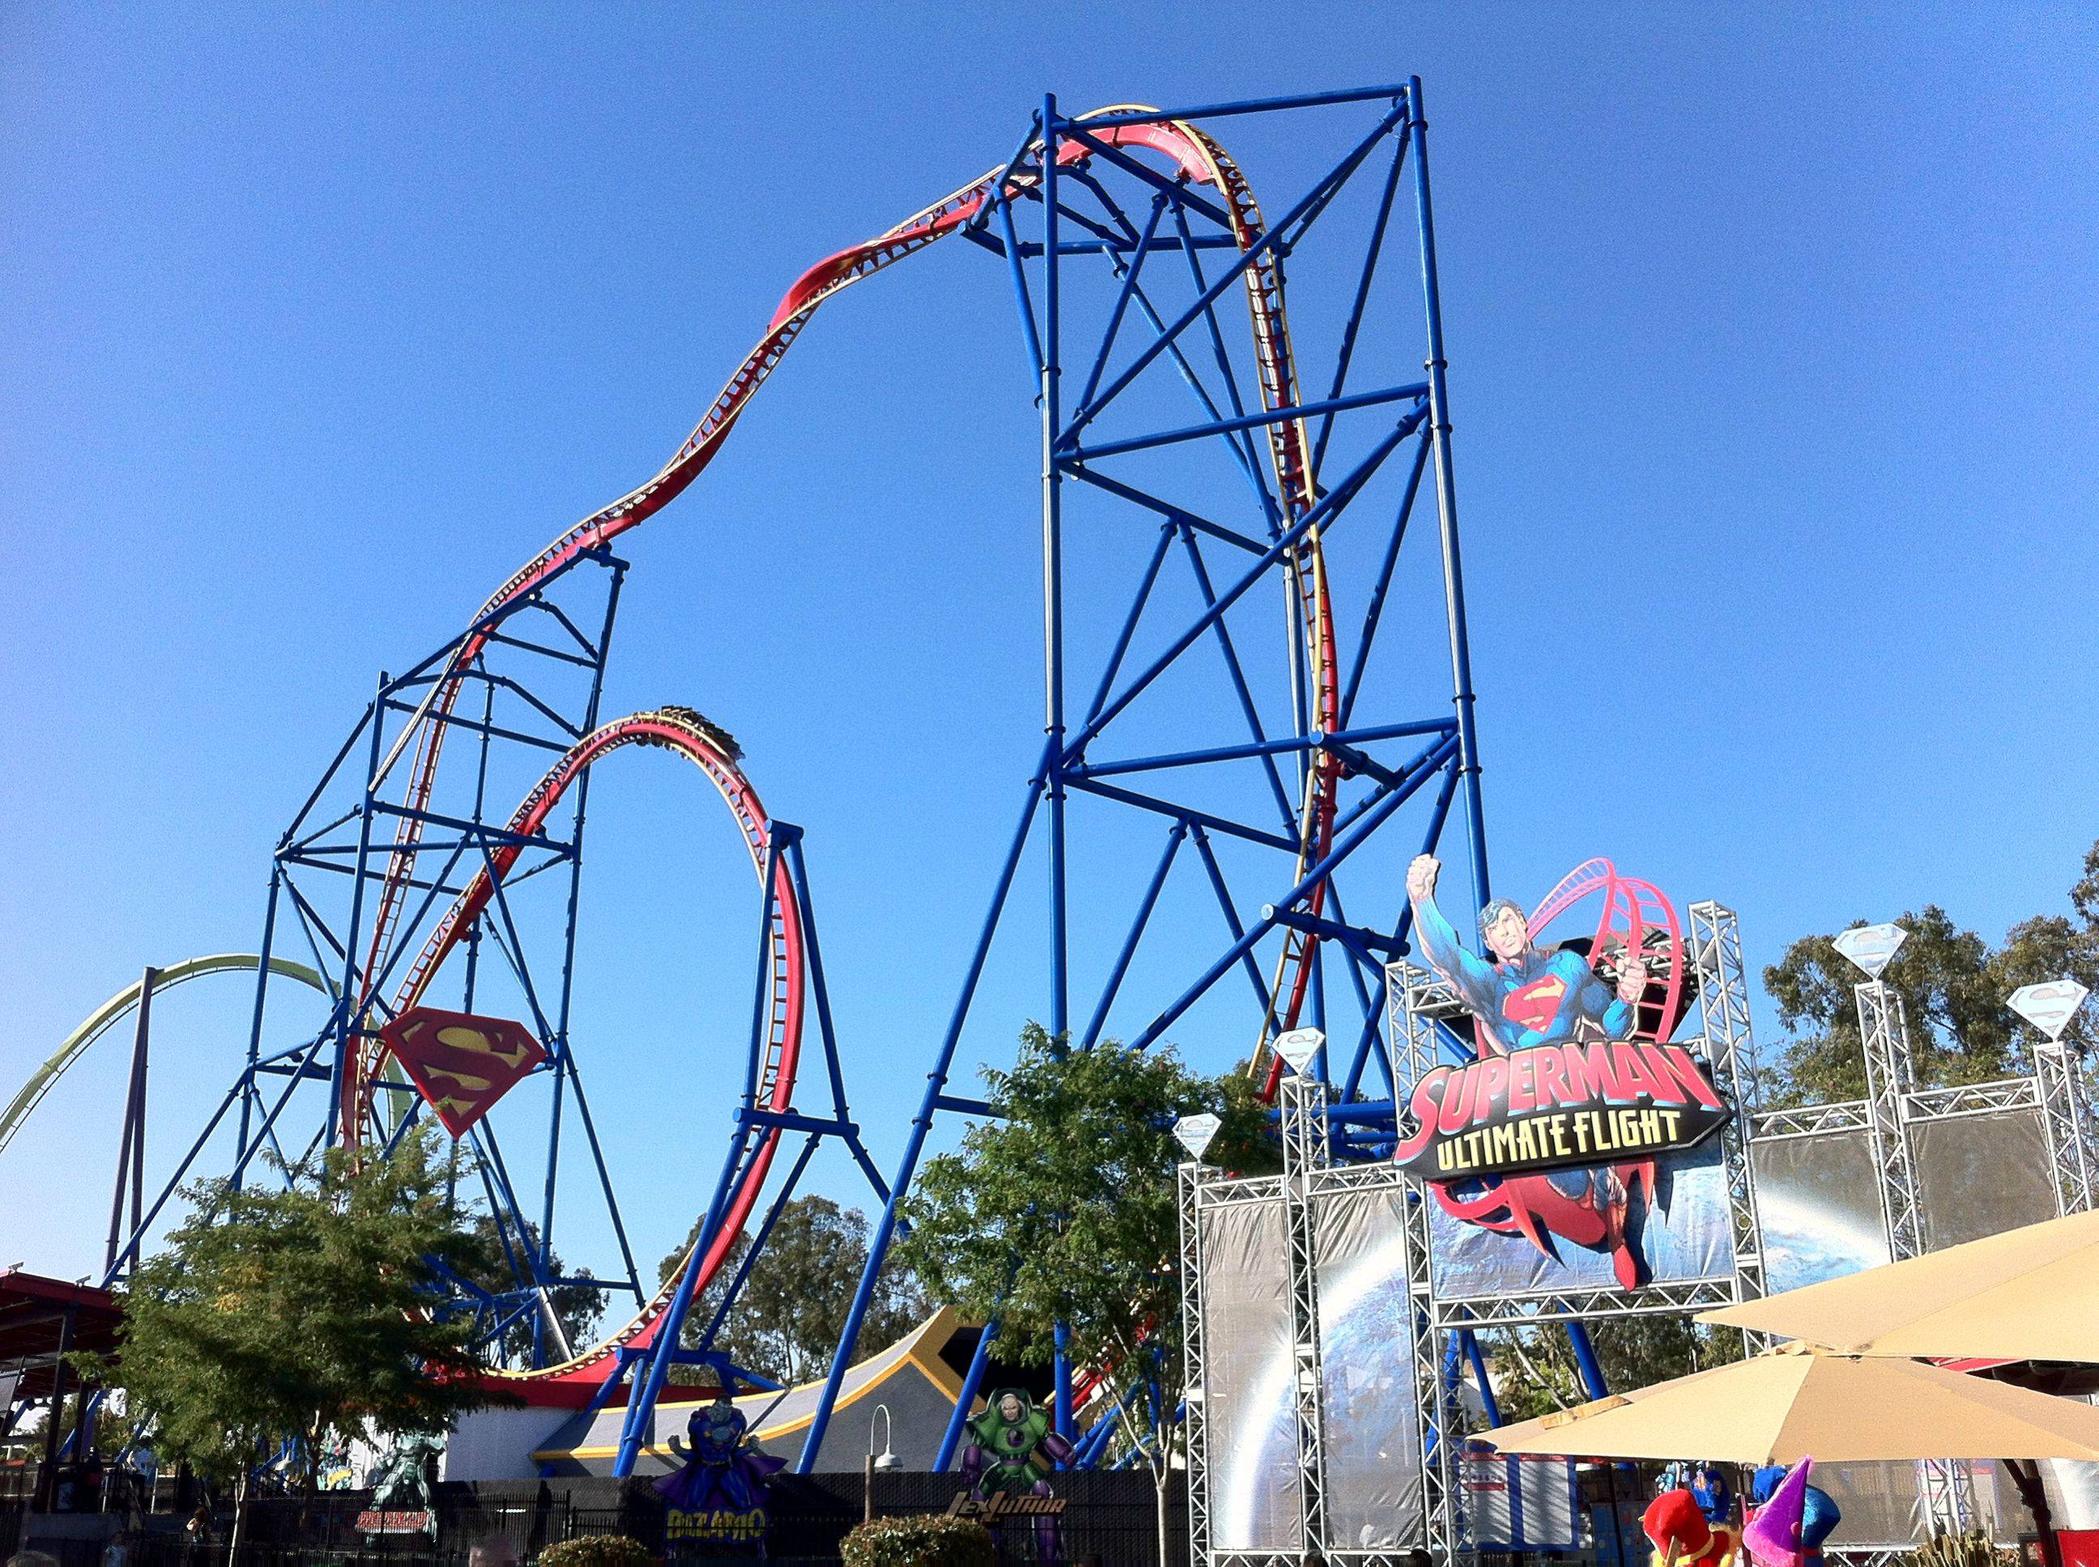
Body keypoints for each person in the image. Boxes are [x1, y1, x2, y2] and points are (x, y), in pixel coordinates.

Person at [1406, 853, 1644, 1051]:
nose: (1504, 932)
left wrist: (1626, 998)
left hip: (1572, 1080)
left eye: (1507, 920)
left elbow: (1613, 1028)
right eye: (1493, 929)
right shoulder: (1488, 981)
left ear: (1523, 922)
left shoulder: (1568, 965)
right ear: (1488, 942)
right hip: (1518, 1090)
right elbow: (1448, 958)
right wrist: (1422, 901)